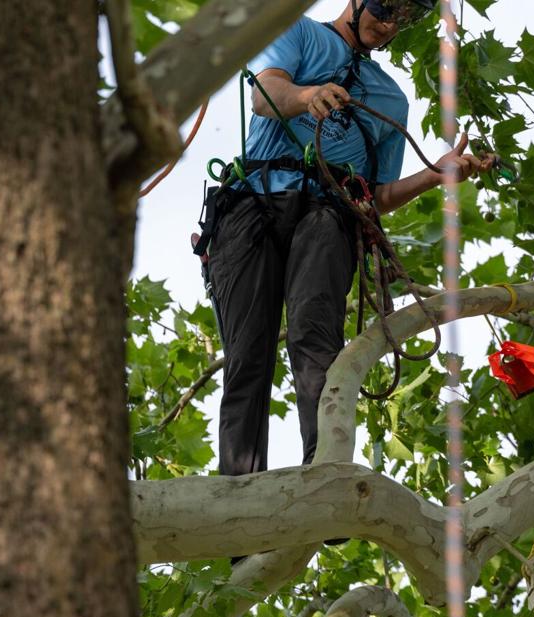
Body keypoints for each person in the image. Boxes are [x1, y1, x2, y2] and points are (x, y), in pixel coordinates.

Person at [207, 0, 492, 478]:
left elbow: (374, 195)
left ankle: (324, 474)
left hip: (326, 215)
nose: (389, 26)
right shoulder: (298, 33)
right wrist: (307, 97)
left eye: (404, 19)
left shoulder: (389, 99)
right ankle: (237, 497)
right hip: (253, 205)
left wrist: (432, 176)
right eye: (385, 9)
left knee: (316, 340)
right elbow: (265, 95)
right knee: (247, 355)